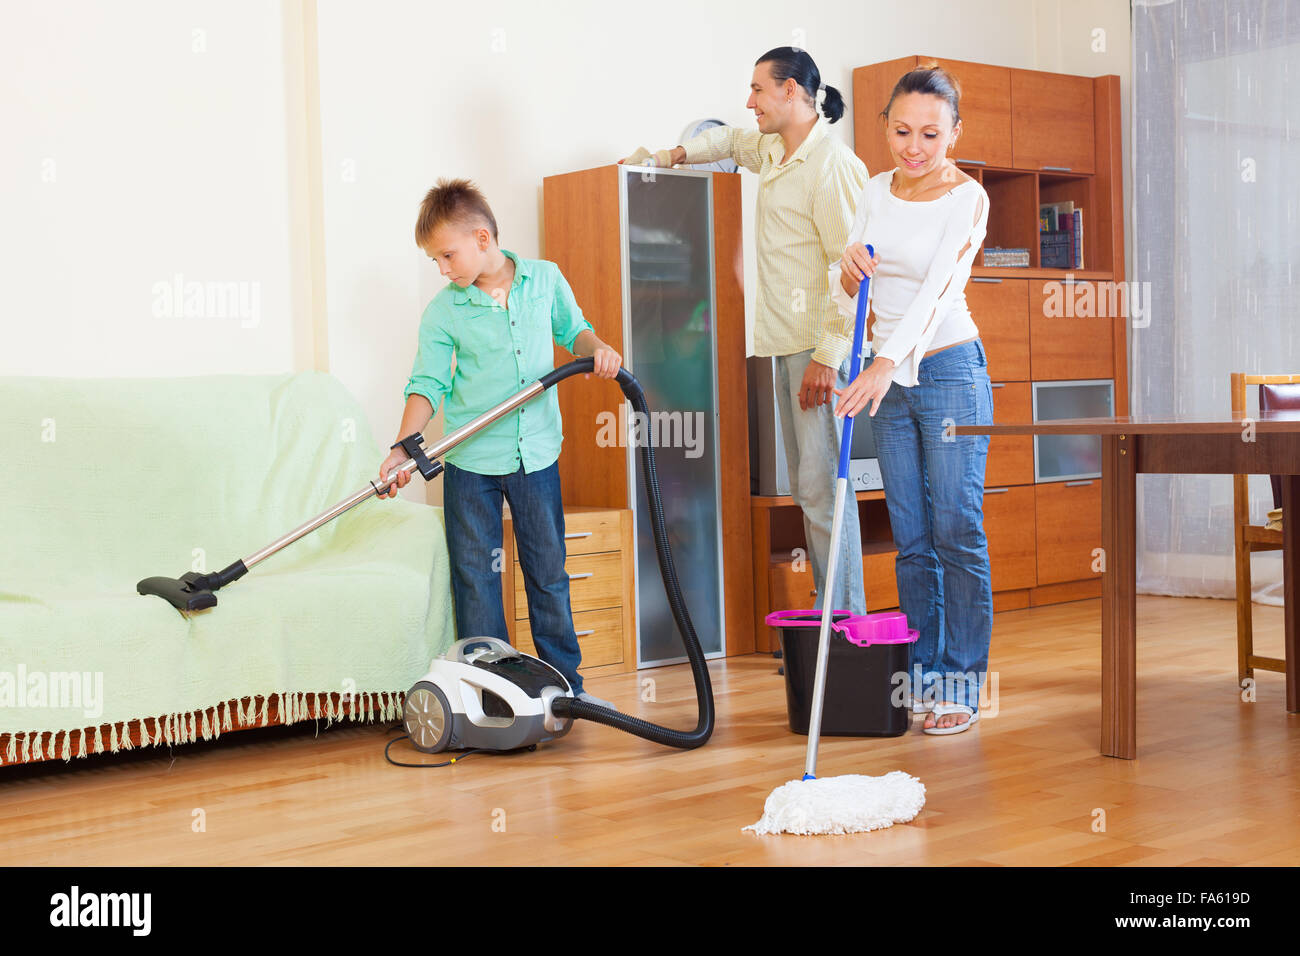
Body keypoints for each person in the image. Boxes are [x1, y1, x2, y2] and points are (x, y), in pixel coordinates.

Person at [620, 46, 870, 617]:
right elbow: (731, 142)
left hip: (818, 350)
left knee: (825, 491)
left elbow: (853, 272)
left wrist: (828, 357)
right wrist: (676, 153)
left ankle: (844, 625)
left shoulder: (832, 165)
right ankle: (830, 613)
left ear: (791, 92)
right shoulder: (776, 151)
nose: (749, 100)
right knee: (809, 491)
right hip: (784, 345)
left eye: (758, 89)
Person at [378, 178, 622, 708]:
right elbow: (428, 384)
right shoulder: (445, 310)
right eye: (435, 260)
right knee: (476, 579)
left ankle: (567, 690)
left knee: (547, 573)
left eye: (447, 255)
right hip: (469, 463)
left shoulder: (545, 280)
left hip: (536, 456)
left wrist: (597, 347)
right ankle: (491, 694)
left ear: (482, 238)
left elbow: (573, 331)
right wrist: (402, 447)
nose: (442, 269)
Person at [830, 65, 993, 735]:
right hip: (885, 375)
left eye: (931, 133)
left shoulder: (969, 199)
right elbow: (860, 287)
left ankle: (961, 680)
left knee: (955, 527)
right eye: (902, 131)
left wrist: (887, 363)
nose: (915, 147)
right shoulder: (872, 190)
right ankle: (920, 672)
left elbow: (935, 295)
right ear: (885, 128)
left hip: (948, 368)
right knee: (912, 534)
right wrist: (845, 269)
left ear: (954, 132)